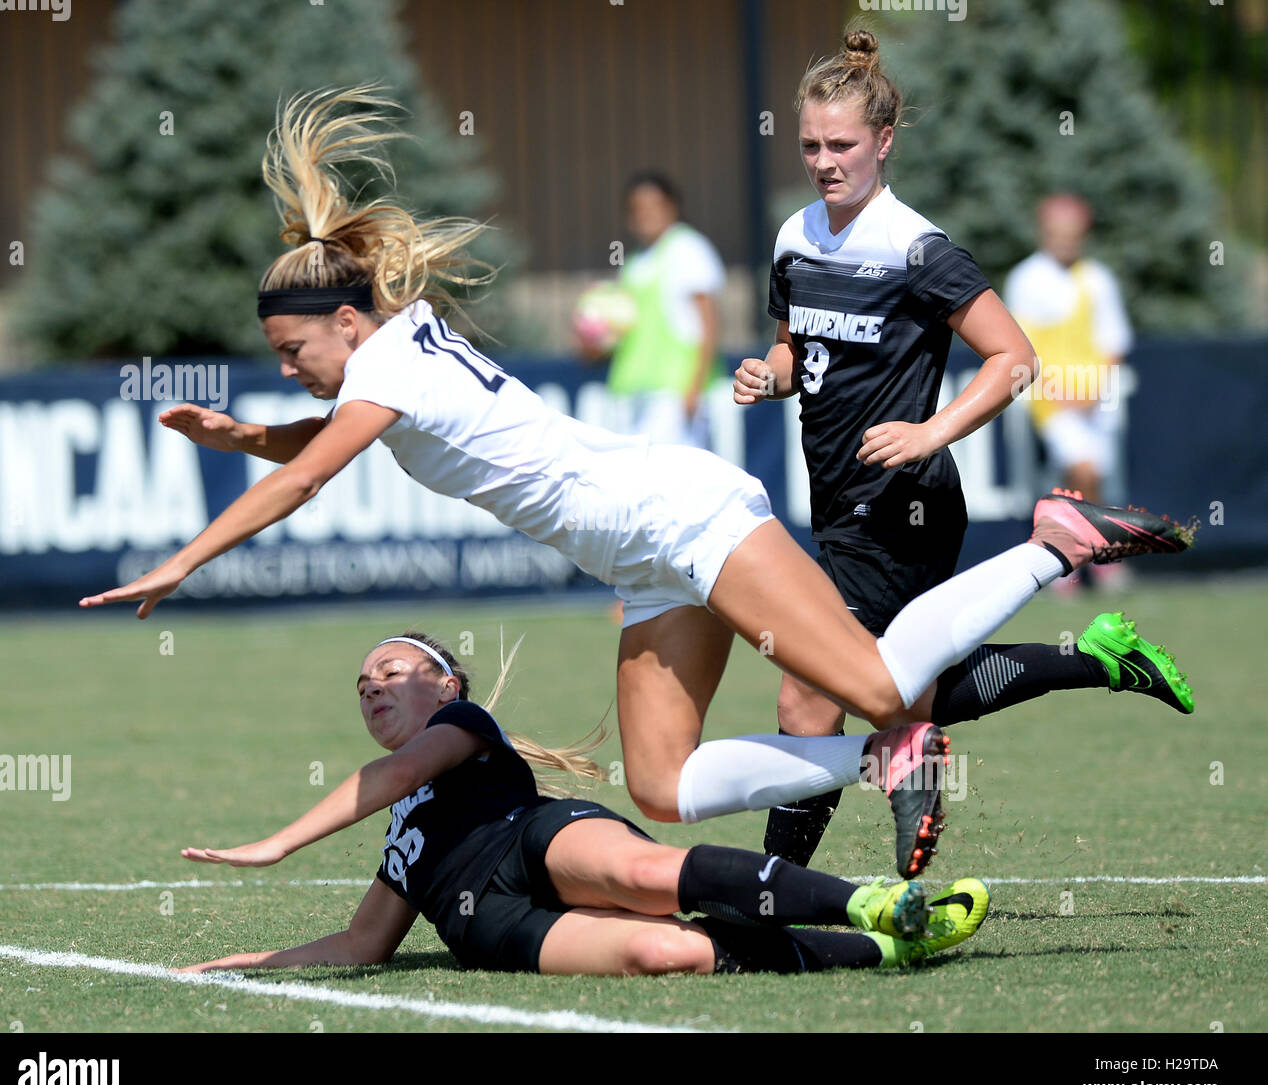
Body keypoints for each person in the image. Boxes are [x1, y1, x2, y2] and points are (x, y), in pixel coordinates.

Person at [79, 84, 1194, 882]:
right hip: (640, 552)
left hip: (680, 512)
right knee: (660, 788)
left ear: (346, 321)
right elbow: (324, 441)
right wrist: (248, 436)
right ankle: (875, 759)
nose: (290, 369)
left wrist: (178, 561)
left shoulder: (379, 367)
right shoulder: (387, 356)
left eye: (293, 350)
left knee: (871, 674)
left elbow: (311, 478)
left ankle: (1053, 541)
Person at [732, 31, 1190, 870]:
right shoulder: (794, 237)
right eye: (809, 145)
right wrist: (771, 373)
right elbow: (798, 350)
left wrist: (929, 431)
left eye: (842, 145)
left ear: (884, 141)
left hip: (903, 503)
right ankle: (1089, 656)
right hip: (834, 502)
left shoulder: (917, 248)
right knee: (905, 687)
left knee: (810, 692)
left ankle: (774, 892)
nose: (825, 162)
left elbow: (1017, 358)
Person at [176, 633, 991, 976]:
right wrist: (260, 964)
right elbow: (363, 944)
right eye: (362, 687)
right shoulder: (402, 839)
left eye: (391, 673)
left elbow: (390, 775)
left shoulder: (464, 725)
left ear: (446, 685)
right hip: (487, 928)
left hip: (525, 839)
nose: (373, 689)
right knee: (663, 957)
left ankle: (873, 901)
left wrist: (276, 844)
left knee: (641, 870)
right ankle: (888, 953)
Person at [1005, 194, 1133, 592]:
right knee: (1085, 469)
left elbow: (1113, 343)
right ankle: (1090, 553)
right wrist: (1061, 394)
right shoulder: (1026, 279)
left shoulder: (1098, 279)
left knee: (1095, 476)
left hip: (1097, 401)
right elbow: (1022, 346)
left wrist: (1093, 393)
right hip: (1050, 399)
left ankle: (1075, 556)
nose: (1065, 241)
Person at [602, 172, 726, 448]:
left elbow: (709, 323)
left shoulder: (689, 249)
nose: (645, 215)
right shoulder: (633, 262)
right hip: (634, 391)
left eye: (654, 206)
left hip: (674, 392)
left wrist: (694, 387)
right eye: (637, 209)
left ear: (672, 207)